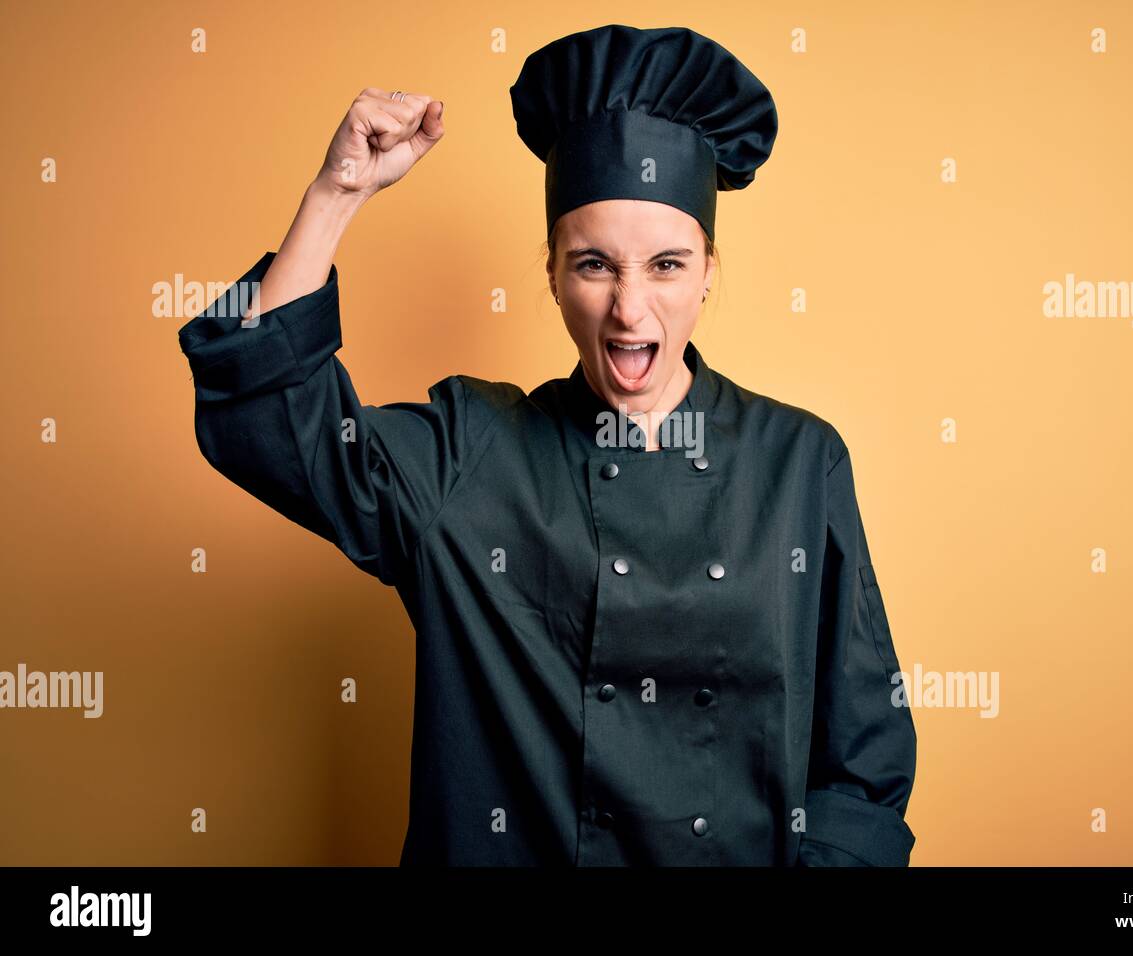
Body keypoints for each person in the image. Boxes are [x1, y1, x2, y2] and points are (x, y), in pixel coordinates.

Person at [177, 23, 917, 866]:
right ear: (553, 274)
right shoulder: (471, 454)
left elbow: (863, 767)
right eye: (595, 265)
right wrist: (335, 195)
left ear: (711, 269)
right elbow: (267, 425)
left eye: (667, 265)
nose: (630, 310)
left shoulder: (799, 463)